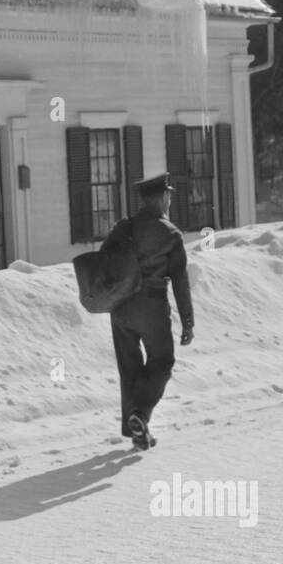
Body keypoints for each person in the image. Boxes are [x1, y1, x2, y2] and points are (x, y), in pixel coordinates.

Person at [99, 173, 194, 449]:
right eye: (170, 196)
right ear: (164, 197)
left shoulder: (123, 228)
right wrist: (187, 322)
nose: (170, 200)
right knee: (162, 361)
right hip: (151, 306)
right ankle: (139, 415)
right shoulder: (170, 234)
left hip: (120, 307)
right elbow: (180, 281)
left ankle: (136, 431)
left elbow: (104, 261)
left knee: (129, 368)